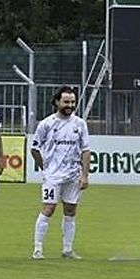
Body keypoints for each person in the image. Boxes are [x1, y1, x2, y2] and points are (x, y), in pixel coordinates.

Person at [29, 85, 90, 260]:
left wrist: (84, 175)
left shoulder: (80, 124)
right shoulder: (47, 124)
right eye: (66, 102)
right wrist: (44, 167)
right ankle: (38, 249)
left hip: (73, 175)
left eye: (72, 102)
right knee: (48, 209)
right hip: (53, 176)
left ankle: (67, 250)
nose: (69, 105)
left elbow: (85, 150)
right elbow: (34, 148)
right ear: (57, 102)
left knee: (70, 211)